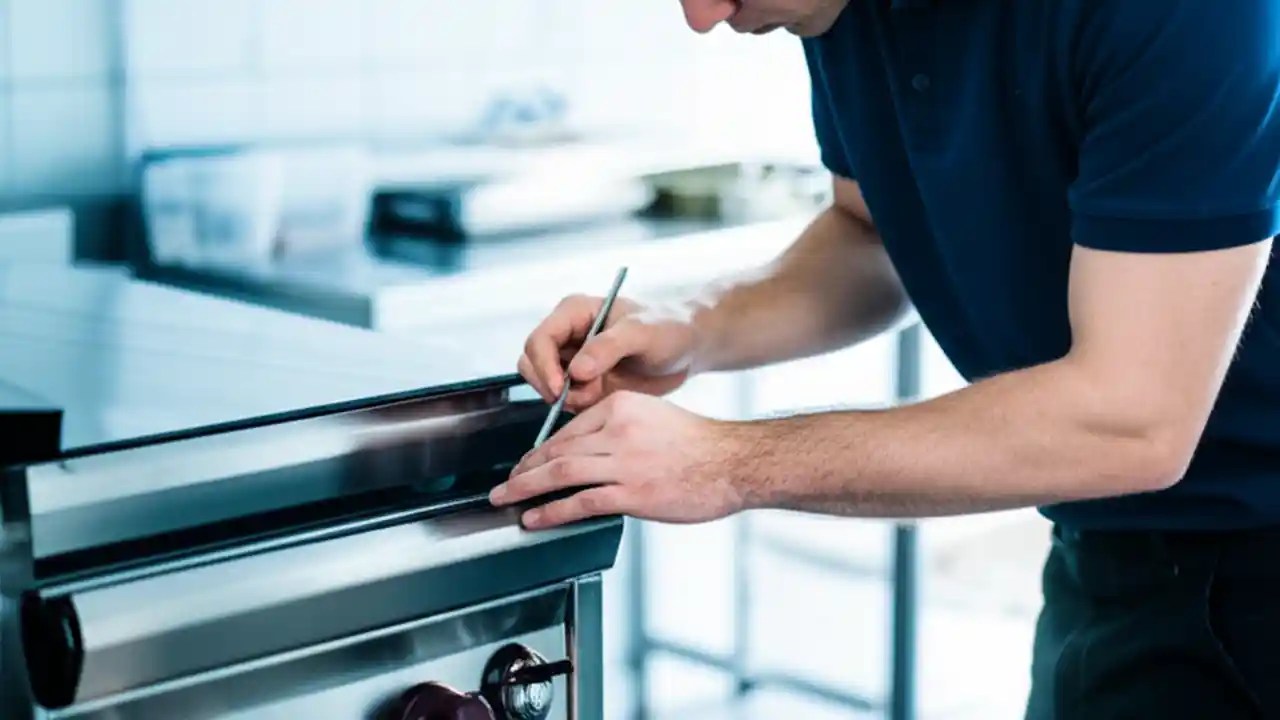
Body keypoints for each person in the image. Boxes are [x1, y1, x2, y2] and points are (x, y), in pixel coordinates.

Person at [487, 1, 1280, 717]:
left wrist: (727, 463)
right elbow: (871, 232)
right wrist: (692, 323)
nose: (702, 16)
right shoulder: (831, 12)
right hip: (1103, 544)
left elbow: (1131, 422)